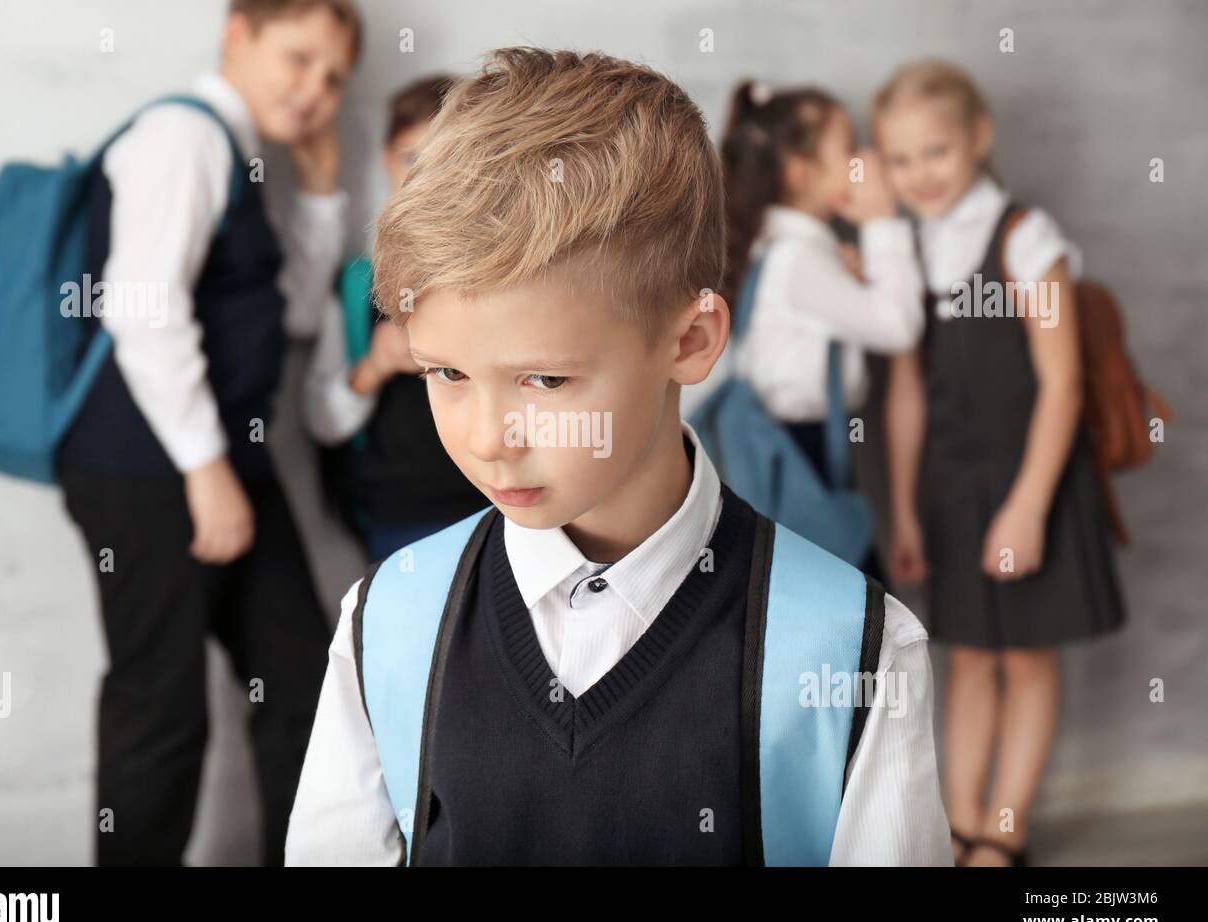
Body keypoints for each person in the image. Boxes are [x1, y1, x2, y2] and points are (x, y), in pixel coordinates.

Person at [286, 48, 951, 866]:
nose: (490, 436)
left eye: (546, 378)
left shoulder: (856, 649)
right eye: (446, 372)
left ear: (692, 340)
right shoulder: (382, 624)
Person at [57, 0, 369, 865]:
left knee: (305, 679)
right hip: (151, 467)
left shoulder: (240, 155)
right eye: (298, 58)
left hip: (222, 459)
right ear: (238, 34)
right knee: (161, 709)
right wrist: (205, 469)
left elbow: (296, 313)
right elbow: (142, 314)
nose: (314, 91)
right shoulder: (183, 137)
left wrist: (318, 184)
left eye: (334, 78)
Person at [876, 60, 1125, 866]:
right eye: (900, 159)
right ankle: (961, 820)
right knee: (969, 656)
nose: (919, 175)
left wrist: (1025, 508)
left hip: (1031, 482)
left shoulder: (1025, 237)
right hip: (950, 489)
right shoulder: (907, 245)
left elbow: (1062, 384)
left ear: (979, 139)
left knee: (1025, 654)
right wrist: (909, 509)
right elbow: (908, 389)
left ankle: (1005, 829)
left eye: (936, 152)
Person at [719, 81, 925, 582]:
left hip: (792, 447)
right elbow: (899, 327)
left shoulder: (786, 249)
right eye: (848, 149)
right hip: (800, 452)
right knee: (848, 603)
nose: (864, 160)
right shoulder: (798, 258)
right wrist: (882, 221)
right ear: (801, 174)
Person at [316, 75, 489, 561]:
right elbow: (323, 420)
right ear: (386, 160)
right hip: (399, 518)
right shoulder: (357, 286)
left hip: (494, 504)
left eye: (443, 160)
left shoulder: (499, 276)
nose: (423, 177)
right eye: (411, 158)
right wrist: (374, 366)